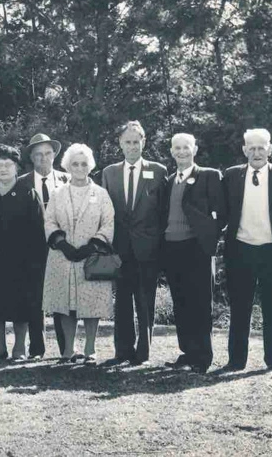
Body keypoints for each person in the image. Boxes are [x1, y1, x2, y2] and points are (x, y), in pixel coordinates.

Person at [221, 129, 272, 372]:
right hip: (240, 250)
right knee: (240, 307)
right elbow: (225, 211)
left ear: (270, 149)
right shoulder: (232, 175)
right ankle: (236, 361)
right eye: (251, 147)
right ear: (244, 150)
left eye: (261, 147)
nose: (256, 152)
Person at [100, 121, 168, 366]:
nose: (132, 146)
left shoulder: (159, 171)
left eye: (136, 141)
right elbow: (105, 212)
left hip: (148, 247)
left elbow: (164, 212)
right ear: (120, 144)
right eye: (127, 142)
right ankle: (122, 351)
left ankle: (144, 352)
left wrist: (158, 243)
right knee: (122, 301)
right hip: (119, 248)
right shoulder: (109, 173)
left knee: (145, 300)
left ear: (144, 142)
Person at [0, 144, 46, 361]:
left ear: (16, 168)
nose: (3, 169)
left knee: (20, 307)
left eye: (8, 165)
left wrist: (35, 265)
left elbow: (38, 233)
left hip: (22, 264)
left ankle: (19, 348)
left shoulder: (28, 194)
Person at [43, 143, 115, 365]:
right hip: (62, 256)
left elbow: (109, 223)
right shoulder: (57, 194)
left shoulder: (101, 194)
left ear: (90, 166)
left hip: (91, 257)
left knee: (91, 303)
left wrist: (92, 246)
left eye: (84, 163)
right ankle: (68, 350)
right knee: (66, 305)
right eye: (75, 163)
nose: (79, 167)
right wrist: (62, 244)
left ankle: (90, 349)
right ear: (67, 166)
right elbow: (49, 220)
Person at [161, 133, 225, 374]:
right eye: (177, 148)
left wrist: (208, 237)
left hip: (197, 249)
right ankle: (187, 352)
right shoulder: (169, 181)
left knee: (200, 303)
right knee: (181, 303)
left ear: (195, 149)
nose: (182, 152)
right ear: (171, 152)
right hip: (172, 247)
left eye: (186, 147)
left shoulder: (209, 176)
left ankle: (203, 357)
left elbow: (222, 213)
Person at [18, 133, 71, 359]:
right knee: (34, 299)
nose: (44, 158)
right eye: (38, 154)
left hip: (61, 247)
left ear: (55, 155)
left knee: (62, 299)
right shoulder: (21, 183)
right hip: (31, 249)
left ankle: (65, 348)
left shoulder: (68, 180)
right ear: (31, 157)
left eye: (48, 153)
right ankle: (37, 348)